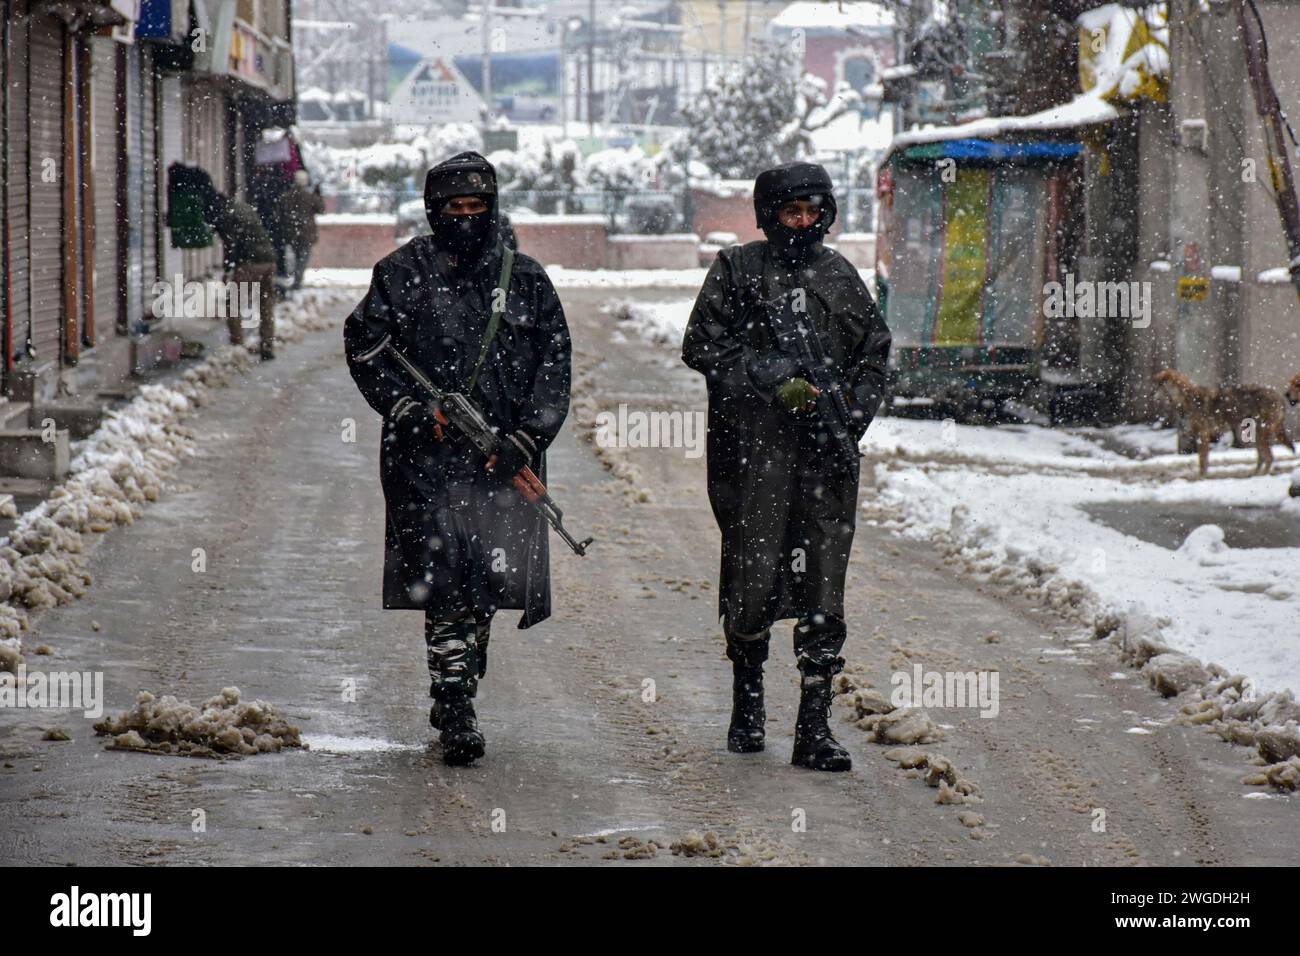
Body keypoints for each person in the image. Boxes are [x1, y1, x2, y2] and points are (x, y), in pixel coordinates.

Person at [343, 152, 572, 766]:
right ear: (433, 212)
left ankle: (460, 678)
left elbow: (555, 369)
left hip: (503, 460)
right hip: (427, 462)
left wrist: (530, 435)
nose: (466, 218)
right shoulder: (401, 273)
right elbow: (365, 349)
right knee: (446, 581)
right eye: (454, 208)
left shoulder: (524, 280)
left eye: (476, 207)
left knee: (490, 583)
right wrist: (413, 413)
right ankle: (455, 700)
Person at [681, 161, 891, 772]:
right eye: (791, 213)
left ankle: (814, 727)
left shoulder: (838, 276)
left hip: (826, 461)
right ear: (768, 215)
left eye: (812, 213)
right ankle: (748, 702)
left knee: (825, 584)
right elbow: (702, 344)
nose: (803, 223)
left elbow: (874, 353)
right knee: (752, 583)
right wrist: (775, 381)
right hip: (755, 457)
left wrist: (851, 414)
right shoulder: (738, 271)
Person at [195, 174, 278, 359]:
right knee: (265, 304)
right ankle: (267, 346)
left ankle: (237, 346)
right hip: (269, 259)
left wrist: (228, 270)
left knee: (233, 304)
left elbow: (231, 245)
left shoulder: (226, 216)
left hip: (250, 262)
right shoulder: (243, 207)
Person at [274, 169, 325, 290]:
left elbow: (277, 215)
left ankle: (292, 280)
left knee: (295, 257)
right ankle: (297, 282)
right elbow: (321, 209)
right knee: (303, 258)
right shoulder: (310, 197)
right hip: (306, 234)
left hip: (290, 233)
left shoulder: (285, 197)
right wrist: (318, 194)